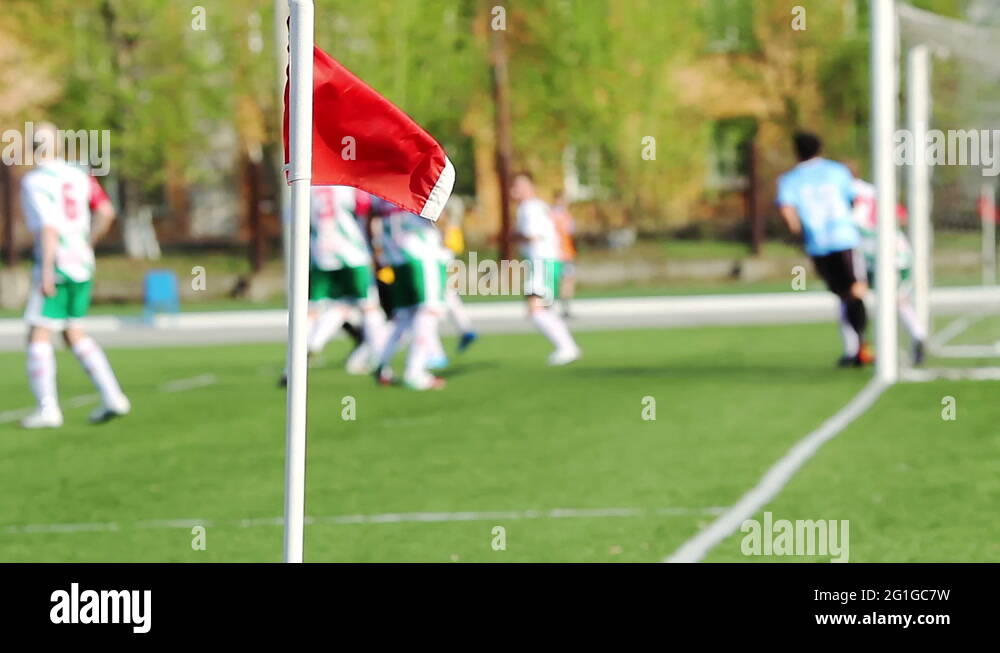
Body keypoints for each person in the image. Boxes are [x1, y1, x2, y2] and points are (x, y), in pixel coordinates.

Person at [20, 122, 130, 428]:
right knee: (73, 332)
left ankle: (47, 409)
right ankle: (113, 396)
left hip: (56, 264)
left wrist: (45, 270)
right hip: (82, 262)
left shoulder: (36, 181)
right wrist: (86, 244)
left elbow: (48, 226)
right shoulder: (79, 173)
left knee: (38, 333)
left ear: (32, 147)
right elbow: (106, 211)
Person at [777, 132, 872, 367]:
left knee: (842, 294)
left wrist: (798, 233)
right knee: (856, 290)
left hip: (818, 243)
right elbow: (853, 199)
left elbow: (789, 214)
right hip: (844, 238)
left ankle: (853, 348)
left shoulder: (790, 180)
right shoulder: (836, 171)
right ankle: (861, 345)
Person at [280, 185, 386, 386]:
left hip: (322, 256)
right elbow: (367, 213)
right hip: (353, 254)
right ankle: (382, 363)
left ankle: (296, 361)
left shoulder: (304, 185)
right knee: (369, 307)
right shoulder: (348, 183)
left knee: (315, 311)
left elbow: (291, 220)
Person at [848, 167, 927, 365]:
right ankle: (917, 334)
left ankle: (858, 349)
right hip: (900, 252)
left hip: (874, 256)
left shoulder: (844, 192)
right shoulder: (876, 190)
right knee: (898, 300)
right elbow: (902, 215)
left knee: (852, 296)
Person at [371, 200, 448, 391]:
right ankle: (414, 372)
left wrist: (378, 251)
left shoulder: (381, 184)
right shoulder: (418, 175)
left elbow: (372, 219)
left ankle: (382, 363)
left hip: (395, 255)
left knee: (404, 316)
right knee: (429, 310)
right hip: (421, 253)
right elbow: (438, 212)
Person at [511, 172, 581, 366]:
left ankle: (567, 348)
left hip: (542, 262)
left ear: (530, 187)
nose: (514, 190)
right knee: (541, 308)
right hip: (547, 260)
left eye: (518, 185)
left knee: (536, 309)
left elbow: (532, 236)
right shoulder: (540, 206)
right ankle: (567, 347)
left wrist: (512, 236)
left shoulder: (529, 208)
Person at [441, 196, 477, 355]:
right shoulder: (452, 225)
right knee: (450, 297)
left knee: (443, 299)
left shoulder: (449, 225)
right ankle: (466, 329)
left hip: (442, 261)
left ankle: (434, 353)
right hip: (447, 260)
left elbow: (449, 244)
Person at [551, 190, 578, 319]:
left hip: (561, 253)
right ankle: (564, 308)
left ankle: (559, 307)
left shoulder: (555, 214)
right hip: (562, 254)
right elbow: (569, 231)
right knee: (565, 280)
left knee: (562, 280)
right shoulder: (560, 215)